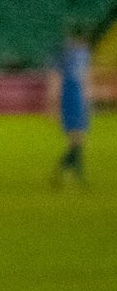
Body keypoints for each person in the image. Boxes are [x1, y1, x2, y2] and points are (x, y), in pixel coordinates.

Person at [52, 24, 93, 186]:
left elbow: (57, 78)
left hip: (74, 96)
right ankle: (70, 172)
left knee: (77, 139)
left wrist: (53, 105)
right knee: (77, 138)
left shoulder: (70, 53)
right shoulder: (74, 54)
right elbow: (59, 78)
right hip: (73, 96)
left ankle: (67, 172)